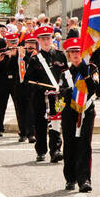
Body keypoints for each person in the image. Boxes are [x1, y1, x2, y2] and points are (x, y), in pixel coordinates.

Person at [58, 37, 99, 192]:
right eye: (72, 52)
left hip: (87, 111)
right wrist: (68, 93)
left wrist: (85, 74)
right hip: (70, 112)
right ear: (68, 55)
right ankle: (70, 178)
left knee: (84, 145)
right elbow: (61, 92)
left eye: (78, 51)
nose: (75, 54)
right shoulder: (65, 73)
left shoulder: (91, 69)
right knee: (69, 145)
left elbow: (95, 88)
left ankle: (84, 180)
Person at [24, 25, 65, 163]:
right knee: (40, 124)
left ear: (51, 38)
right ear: (39, 41)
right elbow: (28, 80)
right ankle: (41, 150)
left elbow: (66, 75)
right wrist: (39, 88)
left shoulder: (60, 55)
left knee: (56, 123)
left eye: (48, 38)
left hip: (57, 96)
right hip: (41, 97)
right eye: (43, 39)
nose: (46, 41)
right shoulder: (35, 59)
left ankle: (55, 150)